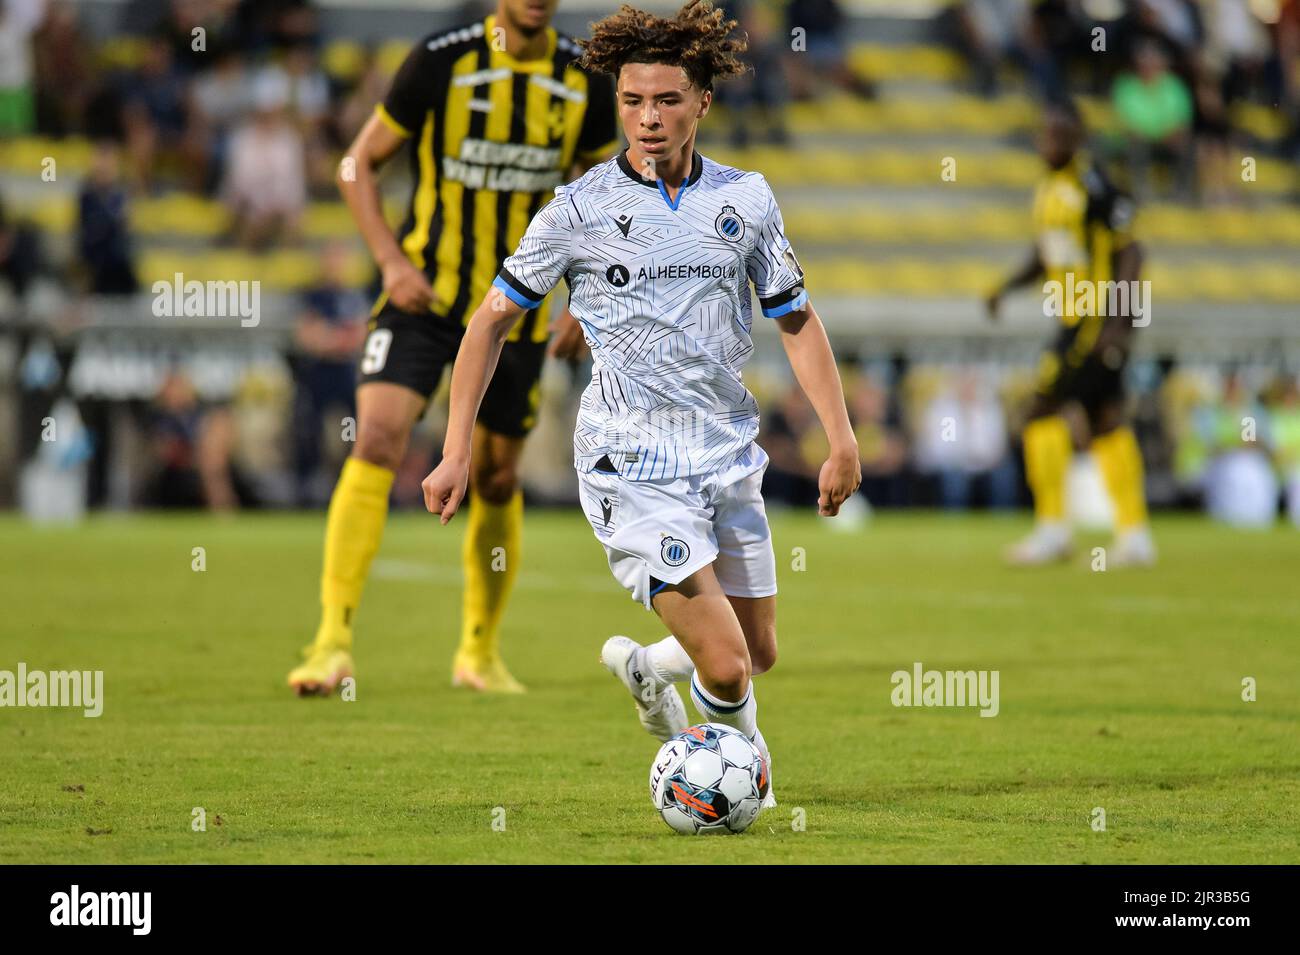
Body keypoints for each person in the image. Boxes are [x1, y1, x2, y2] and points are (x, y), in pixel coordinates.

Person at [420, 0, 861, 807]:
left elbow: (795, 317)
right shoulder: (580, 209)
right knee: (726, 666)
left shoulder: (748, 199)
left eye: (665, 100)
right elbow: (488, 323)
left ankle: (647, 665)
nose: (648, 119)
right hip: (630, 462)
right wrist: (455, 449)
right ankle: (743, 782)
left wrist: (842, 438)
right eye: (631, 101)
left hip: (725, 451)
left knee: (757, 650)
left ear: (702, 102)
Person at [288, 0, 618, 696]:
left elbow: (601, 198)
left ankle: (479, 650)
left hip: (516, 311)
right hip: (425, 298)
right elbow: (356, 166)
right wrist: (390, 261)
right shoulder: (443, 60)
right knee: (377, 435)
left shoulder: (581, 78)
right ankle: (331, 641)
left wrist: (587, 300)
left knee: (497, 476)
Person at [986, 100, 1156, 567]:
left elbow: (1132, 253)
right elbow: (1047, 255)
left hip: (1093, 322)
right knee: (1106, 421)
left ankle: (1054, 529)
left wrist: (1121, 324)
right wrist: (1007, 287)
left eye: (1058, 135)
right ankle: (1134, 535)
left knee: (1039, 411)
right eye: (1044, 135)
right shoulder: (1048, 190)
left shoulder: (1095, 185)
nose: (1048, 143)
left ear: (1076, 138)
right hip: (1072, 319)